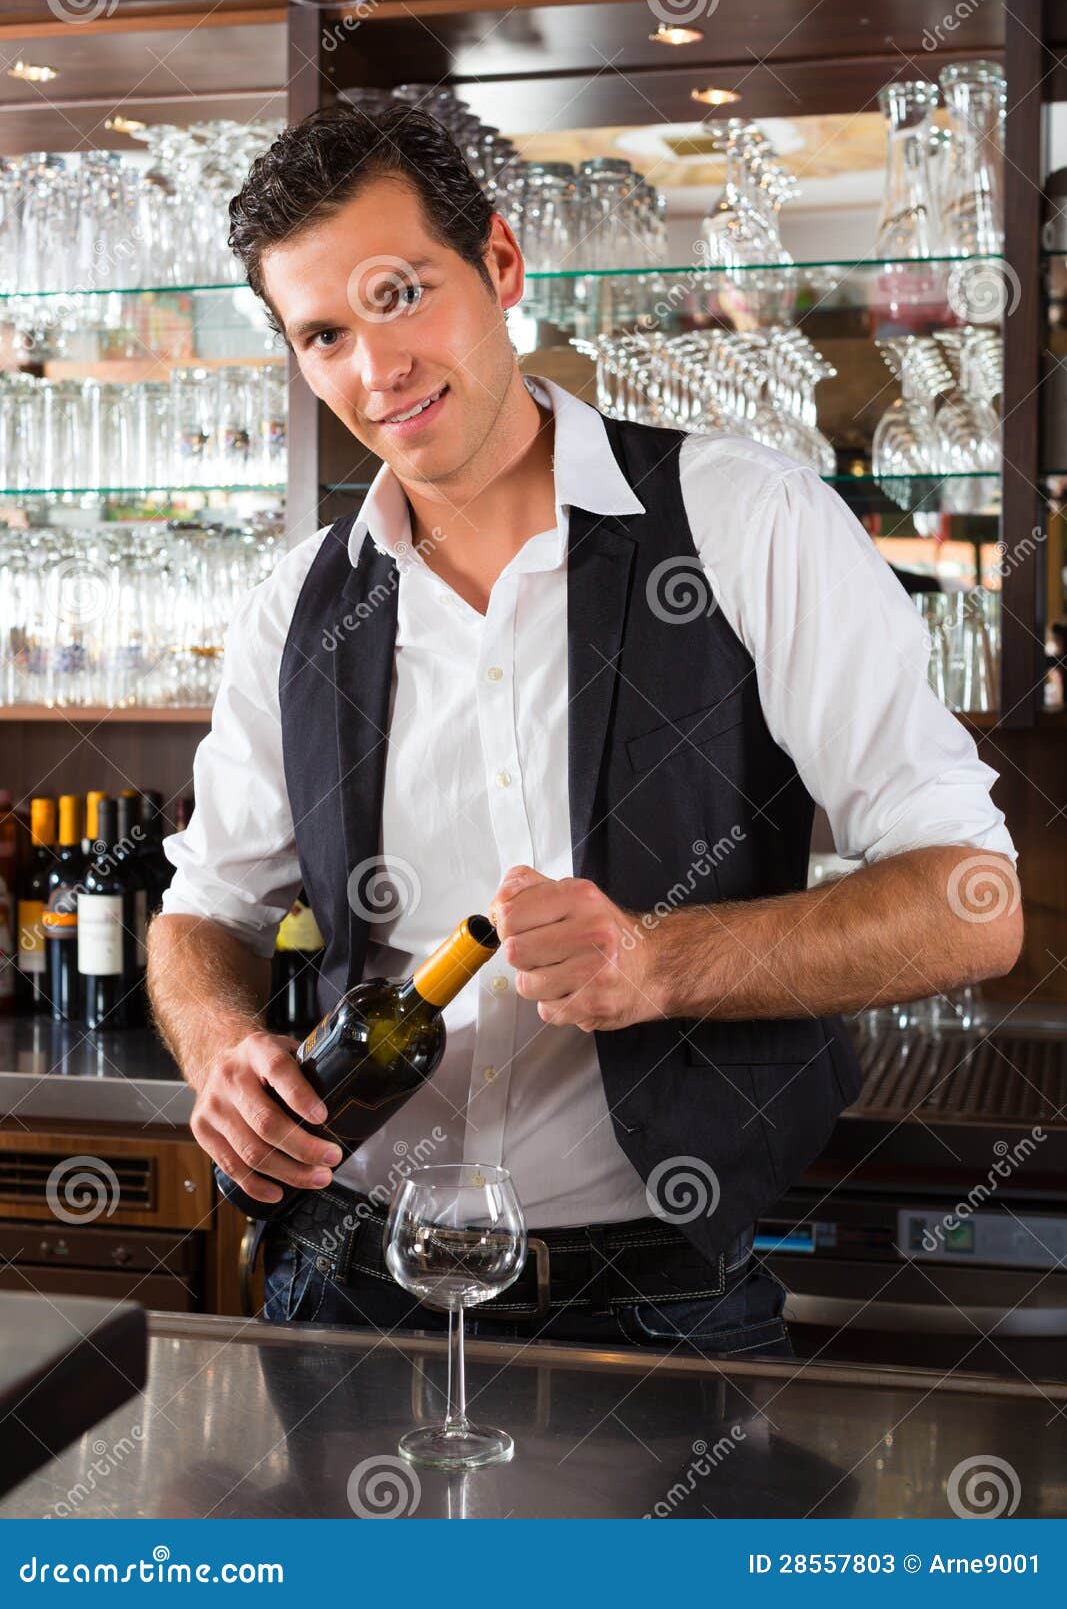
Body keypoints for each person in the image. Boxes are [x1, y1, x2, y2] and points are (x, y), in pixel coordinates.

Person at [147, 106, 1022, 1356]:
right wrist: (224, 1046)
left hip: (659, 1310)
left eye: (401, 295)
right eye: (324, 334)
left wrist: (655, 962)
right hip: (348, 1294)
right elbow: (201, 915)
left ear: (501, 265)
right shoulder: (298, 605)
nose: (374, 368)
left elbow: (973, 902)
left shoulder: (742, 520)